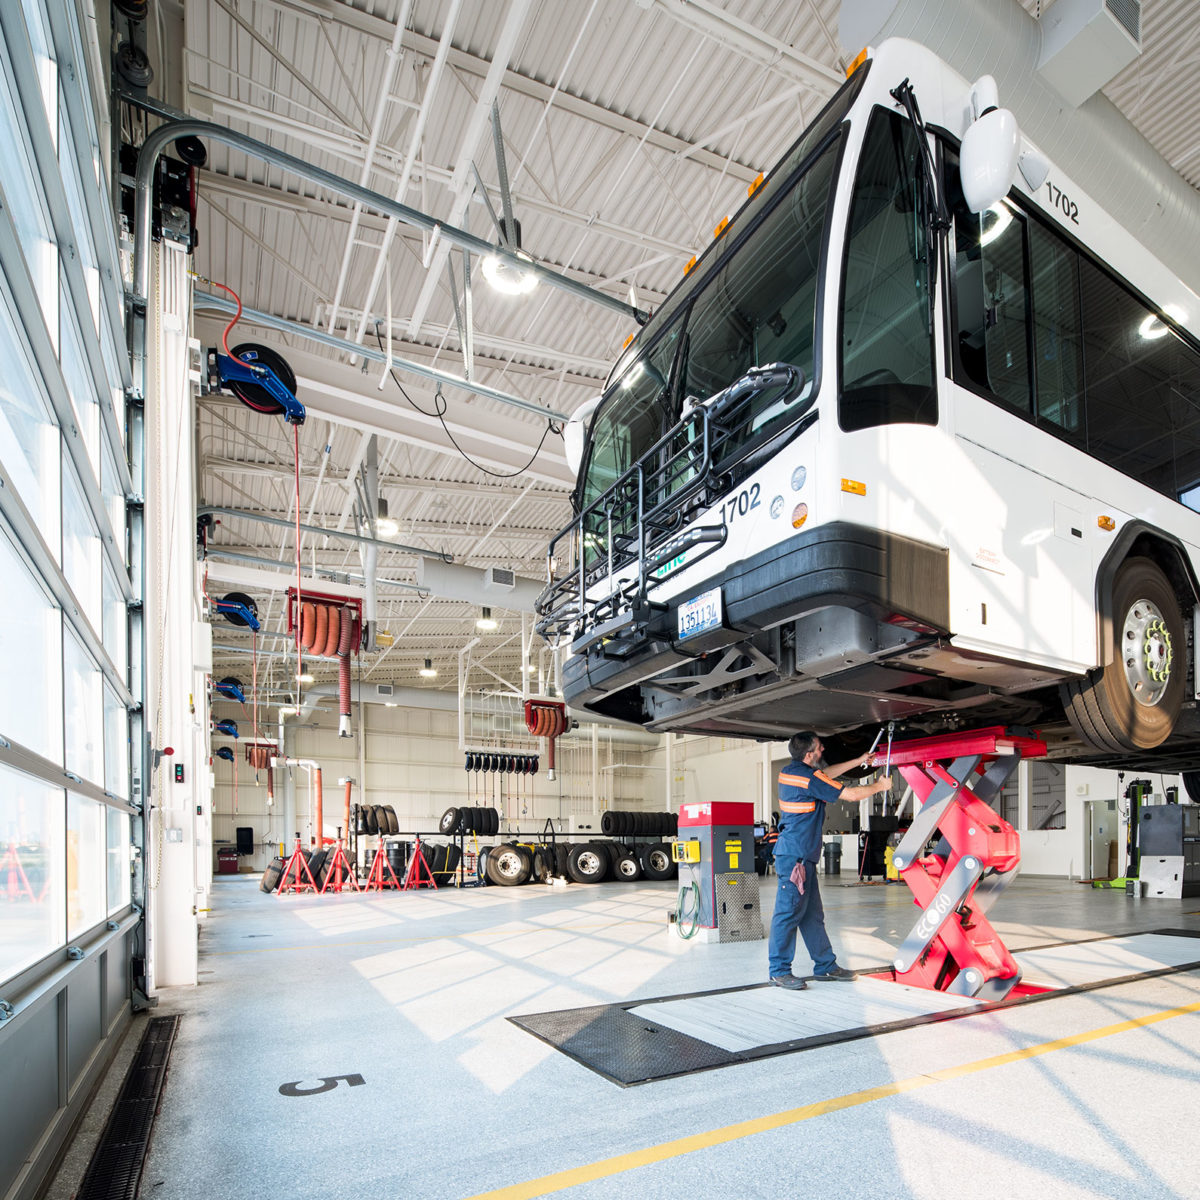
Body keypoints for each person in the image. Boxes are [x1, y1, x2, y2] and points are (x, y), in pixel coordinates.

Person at [767, 731, 891, 990]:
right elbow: (852, 795)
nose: (823, 750)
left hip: (802, 856)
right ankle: (779, 971)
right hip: (795, 860)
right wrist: (879, 787)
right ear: (810, 753)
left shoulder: (792, 772)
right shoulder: (809, 778)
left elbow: (826, 775)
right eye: (820, 748)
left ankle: (825, 966)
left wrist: (859, 760)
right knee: (787, 914)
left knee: (813, 916)